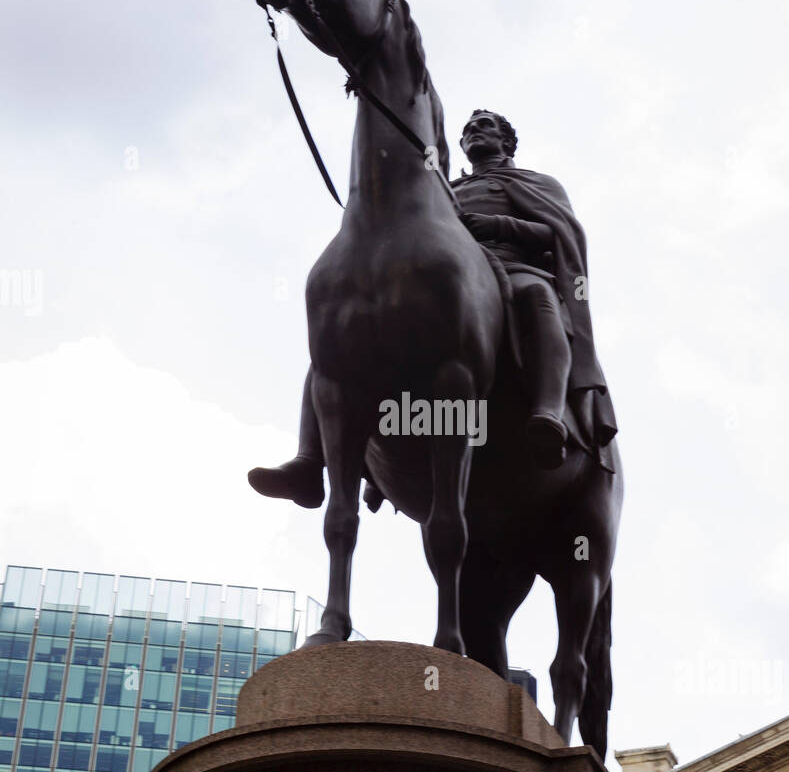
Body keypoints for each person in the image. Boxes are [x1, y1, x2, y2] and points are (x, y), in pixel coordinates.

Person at [248, 110, 617, 502]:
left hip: (510, 268)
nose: (474, 132)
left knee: (539, 297)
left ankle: (547, 413)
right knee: (343, 338)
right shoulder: (444, 188)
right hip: (446, 281)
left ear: (507, 142)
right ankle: (309, 462)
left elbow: (559, 233)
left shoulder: (536, 184)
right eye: (467, 130)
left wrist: (497, 227)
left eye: (484, 127)